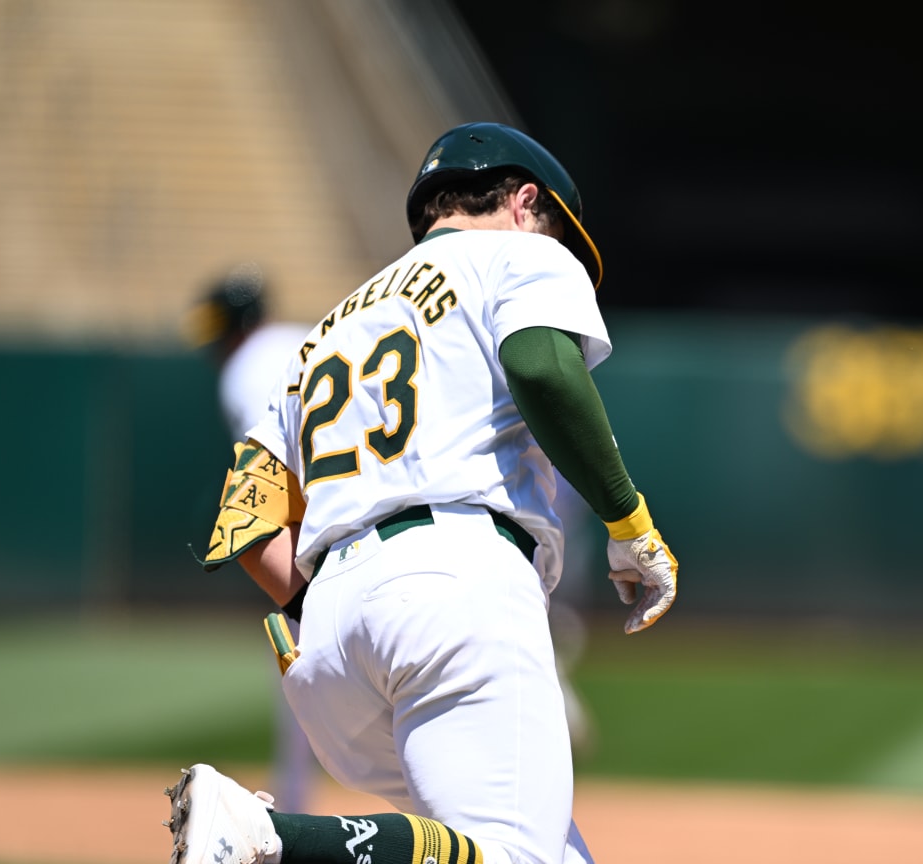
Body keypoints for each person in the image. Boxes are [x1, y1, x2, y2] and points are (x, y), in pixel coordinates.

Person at [173, 121, 680, 864]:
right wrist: (628, 521)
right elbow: (542, 367)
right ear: (525, 201)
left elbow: (245, 517)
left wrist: (312, 608)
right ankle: (268, 839)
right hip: (455, 582)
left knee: (547, 856)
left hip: (328, 637)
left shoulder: (325, 332)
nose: (560, 250)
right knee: (515, 855)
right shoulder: (517, 253)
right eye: (558, 232)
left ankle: (272, 840)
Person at [184, 266, 318, 813]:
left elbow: (264, 476)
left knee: (298, 653)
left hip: (321, 517)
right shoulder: (308, 335)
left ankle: (291, 804)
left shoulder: (243, 367)